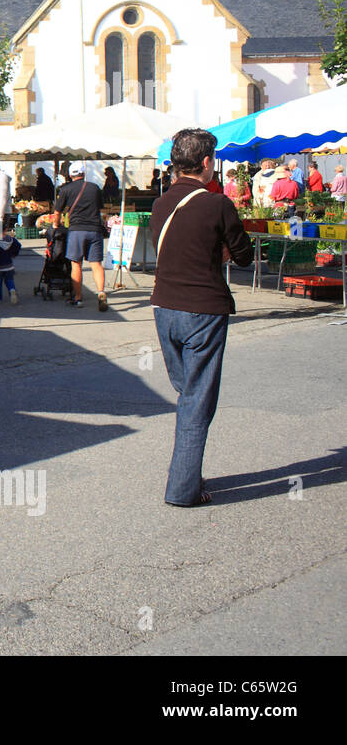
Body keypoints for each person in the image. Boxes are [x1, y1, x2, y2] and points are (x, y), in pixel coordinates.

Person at [150, 128, 253, 507]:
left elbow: (174, 250)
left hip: (164, 309)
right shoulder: (218, 204)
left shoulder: (161, 204)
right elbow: (242, 256)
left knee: (187, 394)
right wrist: (223, 252)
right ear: (207, 162)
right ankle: (182, 489)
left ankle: (186, 471)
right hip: (202, 309)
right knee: (197, 400)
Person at [52, 165, 108, 311]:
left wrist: (56, 226)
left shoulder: (65, 190)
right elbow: (101, 209)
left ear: (70, 175)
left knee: (76, 264)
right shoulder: (94, 188)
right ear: (84, 173)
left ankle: (78, 298)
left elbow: (57, 212)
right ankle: (101, 292)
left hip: (77, 230)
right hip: (95, 229)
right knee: (96, 264)